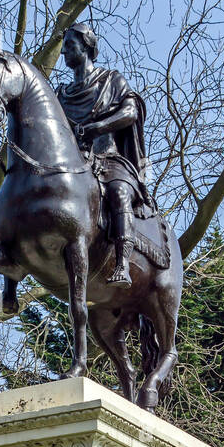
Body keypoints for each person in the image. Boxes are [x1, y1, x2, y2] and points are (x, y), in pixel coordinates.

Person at [57, 22, 153, 287]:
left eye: (69, 46)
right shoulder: (61, 95)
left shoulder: (112, 80)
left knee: (119, 193)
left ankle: (122, 263)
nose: (63, 53)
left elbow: (131, 112)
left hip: (108, 159)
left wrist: (96, 127)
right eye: (63, 48)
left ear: (86, 48)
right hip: (71, 164)